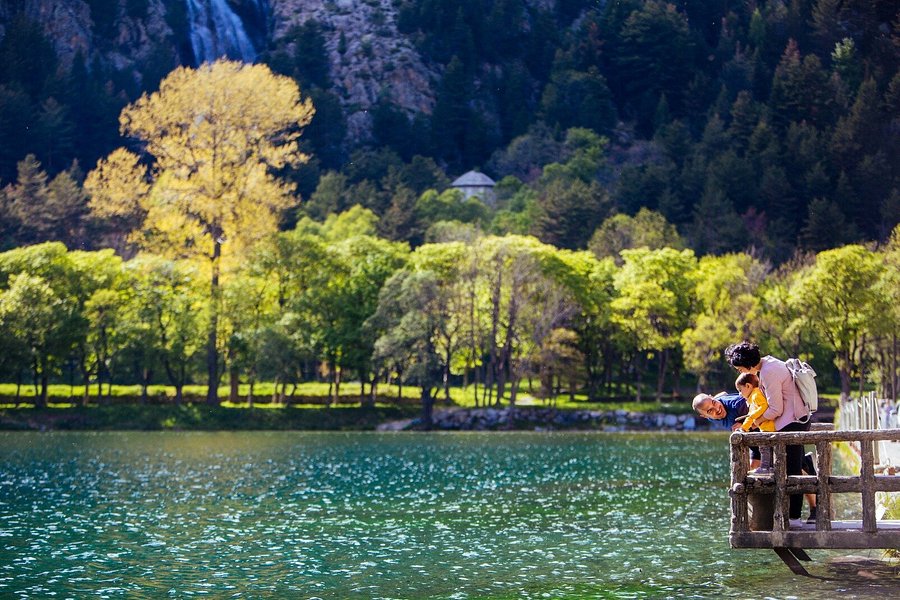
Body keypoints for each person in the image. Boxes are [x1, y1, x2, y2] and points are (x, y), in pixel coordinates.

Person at [725, 341, 811, 524]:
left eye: (740, 369)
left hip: (792, 424)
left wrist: (755, 422)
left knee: (792, 472)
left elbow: (775, 409)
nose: (740, 372)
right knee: (795, 467)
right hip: (793, 421)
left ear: (748, 364)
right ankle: (807, 467)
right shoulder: (768, 364)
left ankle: (794, 517)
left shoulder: (768, 372)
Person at [735, 372, 775, 473]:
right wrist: (743, 428)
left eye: (740, 390)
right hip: (764, 428)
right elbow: (750, 416)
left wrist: (753, 416)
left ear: (748, 386)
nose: (740, 394)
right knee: (765, 448)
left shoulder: (756, 394)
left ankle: (766, 468)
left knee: (764, 448)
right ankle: (769, 467)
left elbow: (764, 406)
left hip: (768, 428)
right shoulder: (752, 397)